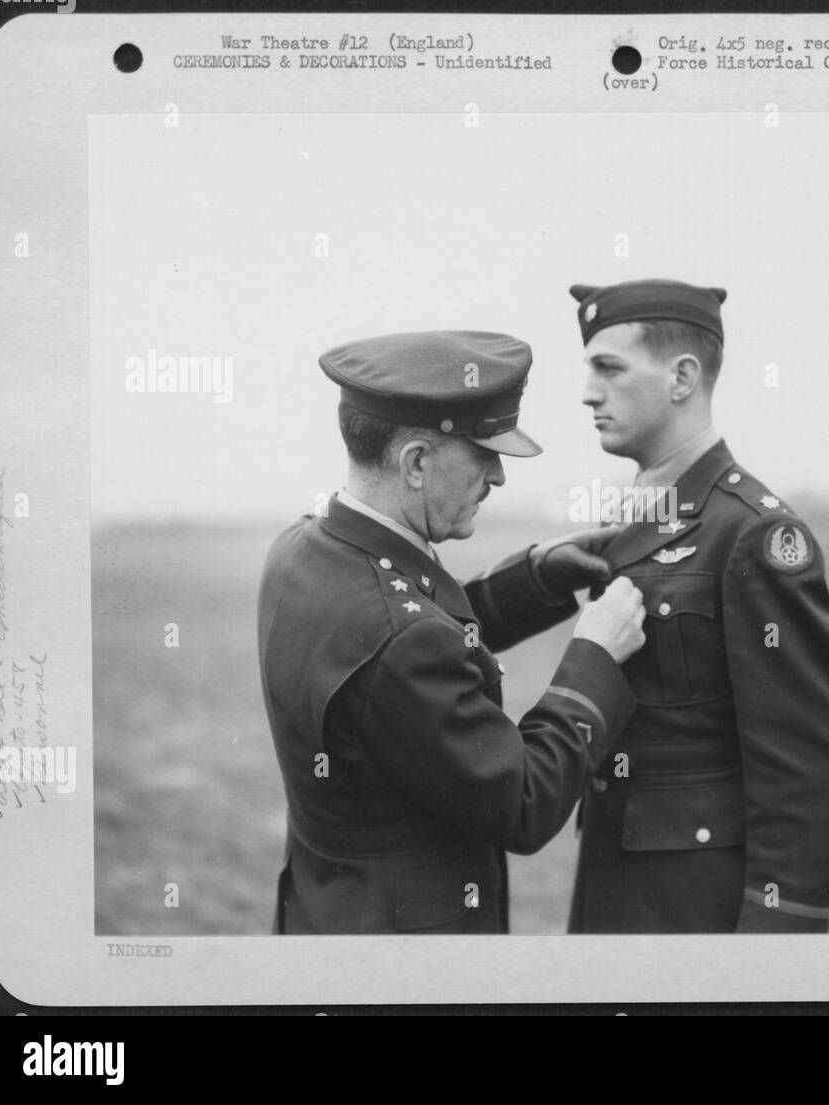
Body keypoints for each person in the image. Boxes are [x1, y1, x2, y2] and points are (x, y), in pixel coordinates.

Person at [258, 330, 645, 934]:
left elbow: (404, 646)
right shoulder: (405, 638)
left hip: (330, 912)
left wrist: (537, 577)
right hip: (407, 953)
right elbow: (522, 801)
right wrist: (594, 656)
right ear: (415, 463)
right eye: (484, 453)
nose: (498, 477)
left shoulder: (302, 549)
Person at [565, 279, 829, 933]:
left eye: (608, 368)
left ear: (682, 378)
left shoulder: (752, 534)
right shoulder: (636, 517)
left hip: (699, 908)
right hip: (619, 887)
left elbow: (809, 765)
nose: (588, 391)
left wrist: (770, 948)